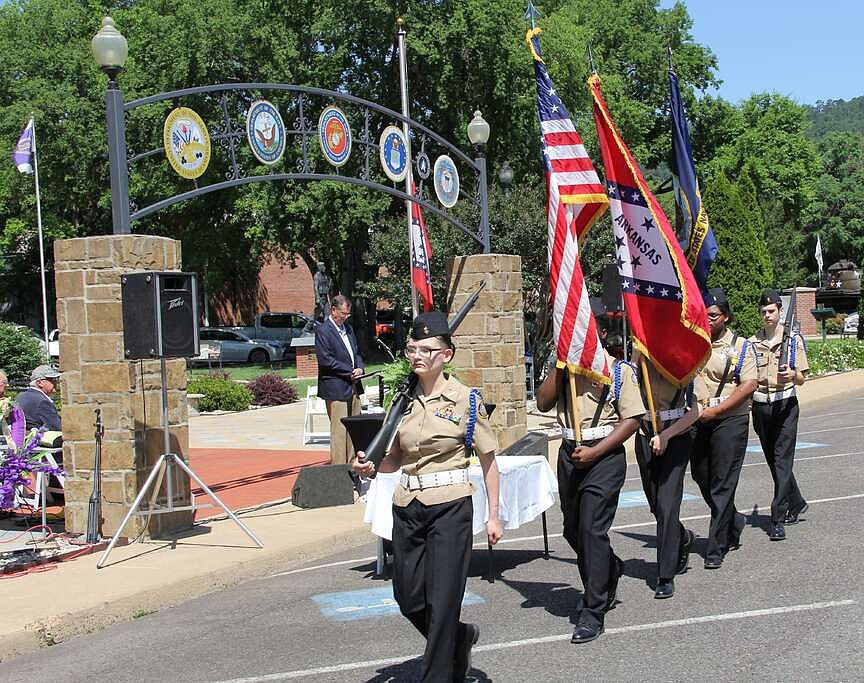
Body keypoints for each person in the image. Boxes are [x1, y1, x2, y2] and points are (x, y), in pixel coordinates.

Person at [353, 311, 502, 682]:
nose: (417, 356)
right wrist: (371, 466)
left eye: (426, 349)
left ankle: (437, 673)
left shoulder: (466, 401)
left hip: (450, 507)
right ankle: (459, 638)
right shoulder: (402, 402)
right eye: (411, 349)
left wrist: (494, 515)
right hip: (407, 507)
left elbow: (489, 461)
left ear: (446, 355)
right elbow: (395, 459)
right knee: (409, 598)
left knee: (443, 600)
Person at [536, 315, 644, 644]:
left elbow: (633, 420)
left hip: (604, 458)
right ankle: (608, 567)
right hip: (570, 455)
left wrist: (596, 453)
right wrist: (560, 363)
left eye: (586, 332)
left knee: (591, 530)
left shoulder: (618, 370)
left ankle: (593, 609)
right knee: (572, 530)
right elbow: (542, 403)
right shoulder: (566, 371)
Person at [687, 289, 758, 569]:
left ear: (726, 317)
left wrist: (718, 410)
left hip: (730, 419)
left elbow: (749, 384)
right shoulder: (696, 342)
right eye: (705, 315)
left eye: (714, 315)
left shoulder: (741, 346)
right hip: (698, 419)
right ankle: (733, 519)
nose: (708, 319)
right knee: (701, 475)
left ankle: (716, 545)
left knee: (722, 482)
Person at [633, 351, 698, 599]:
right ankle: (681, 537)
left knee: (668, 504)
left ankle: (665, 574)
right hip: (646, 436)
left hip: (676, 435)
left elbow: (695, 410)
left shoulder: (684, 352)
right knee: (656, 505)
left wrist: (667, 436)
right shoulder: (638, 357)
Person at [749, 288, 809, 541]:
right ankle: (796, 501)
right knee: (774, 460)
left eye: (771, 311)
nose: (767, 316)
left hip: (785, 405)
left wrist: (792, 376)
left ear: (780, 311)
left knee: (783, 459)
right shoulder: (753, 343)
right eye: (763, 312)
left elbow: (803, 378)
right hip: (761, 406)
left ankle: (777, 516)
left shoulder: (793, 340)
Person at [315, 295, 364, 465]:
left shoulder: (348, 329)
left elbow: (356, 352)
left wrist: (360, 368)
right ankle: (339, 470)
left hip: (354, 385)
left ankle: (352, 465)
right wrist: (348, 371)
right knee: (340, 430)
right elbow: (325, 359)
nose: (346, 317)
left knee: (355, 429)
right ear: (333, 310)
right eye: (343, 313)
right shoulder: (323, 330)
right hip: (335, 387)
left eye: (348, 314)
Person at [15, 364, 61, 432]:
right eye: (52, 380)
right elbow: (57, 427)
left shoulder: (20, 396)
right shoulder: (42, 402)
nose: (56, 382)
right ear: (40, 383)